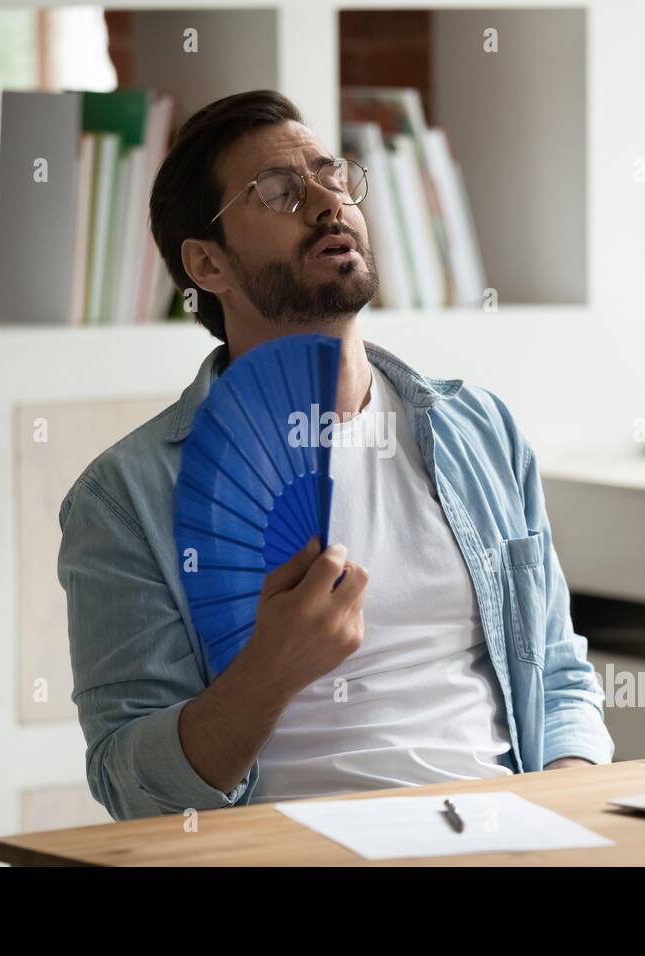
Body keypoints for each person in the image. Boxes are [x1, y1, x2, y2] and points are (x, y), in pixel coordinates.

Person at [57, 89, 613, 820]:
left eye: (333, 177)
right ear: (207, 263)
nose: (328, 204)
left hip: (505, 833)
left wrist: (568, 802)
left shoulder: (479, 430)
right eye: (280, 192)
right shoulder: (125, 497)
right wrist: (270, 671)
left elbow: (559, 673)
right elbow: (131, 786)